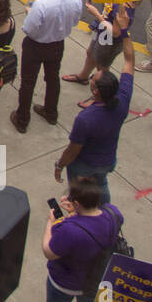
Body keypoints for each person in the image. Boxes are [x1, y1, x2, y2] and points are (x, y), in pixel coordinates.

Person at [18, 178, 124, 302]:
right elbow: (92, 224)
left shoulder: (69, 230)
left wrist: (50, 223)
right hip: (95, 280)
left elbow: (49, 251)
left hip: (64, 284)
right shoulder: (113, 214)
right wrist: (75, 213)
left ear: (77, 203)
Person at [54, 37, 134, 205]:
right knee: (102, 186)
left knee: (79, 195)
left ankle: (78, 213)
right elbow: (129, 60)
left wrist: (60, 165)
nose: (91, 77)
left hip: (84, 164)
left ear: (95, 91)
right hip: (107, 161)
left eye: (93, 78)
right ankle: (107, 214)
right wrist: (126, 33)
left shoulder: (85, 119)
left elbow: (73, 151)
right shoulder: (123, 101)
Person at [11, 0, 84, 132]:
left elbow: (29, 29)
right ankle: (51, 113)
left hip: (35, 46)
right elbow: (74, 22)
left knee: (28, 82)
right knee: (52, 78)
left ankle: (22, 119)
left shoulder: (41, 5)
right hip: (57, 45)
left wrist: (29, 12)